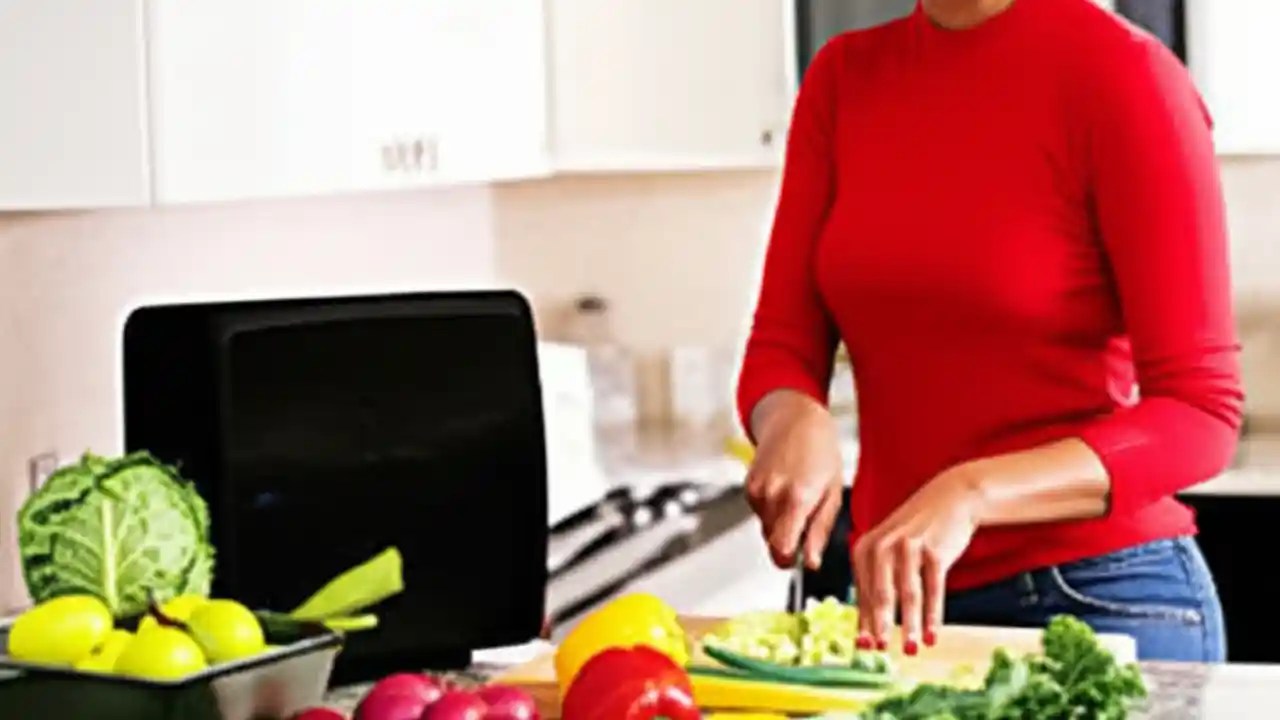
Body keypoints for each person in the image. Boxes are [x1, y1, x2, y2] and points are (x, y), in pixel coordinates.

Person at [738, 0, 1242, 663]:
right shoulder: (844, 80)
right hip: (896, 608)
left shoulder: (1126, 75)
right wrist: (791, 420)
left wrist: (973, 493)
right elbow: (782, 344)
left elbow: (1200, 413)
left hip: (1096, 600)